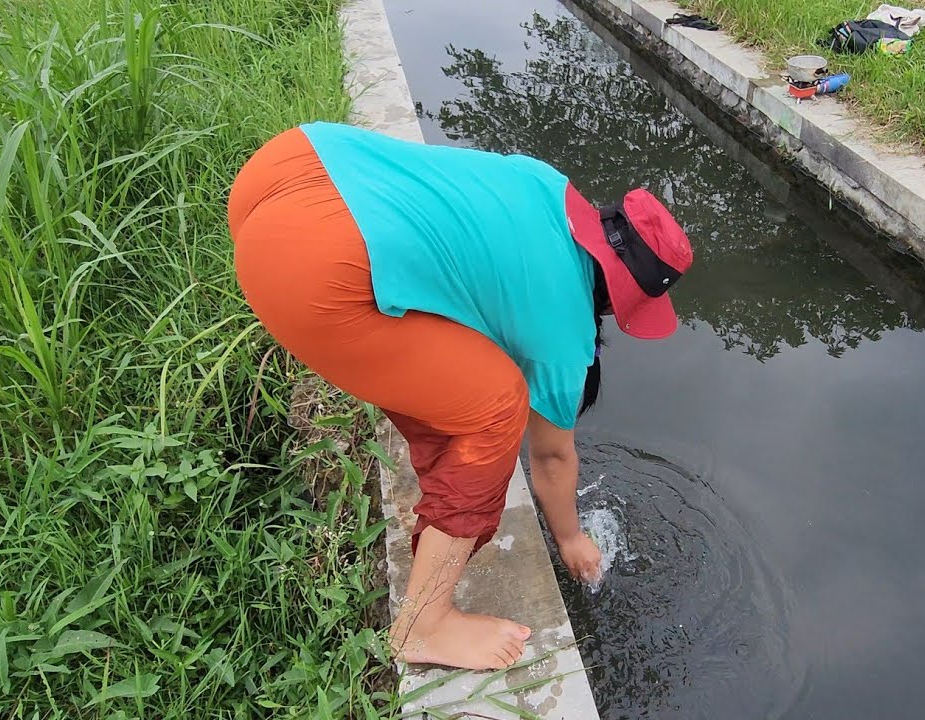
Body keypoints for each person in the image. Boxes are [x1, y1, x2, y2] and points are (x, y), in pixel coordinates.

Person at [228, 121, 693, 671]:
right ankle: (423, 626)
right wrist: (570, 539)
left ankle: (440, 518)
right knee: (497, 409)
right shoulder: (565, 331)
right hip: (311, 265)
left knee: (463, 379)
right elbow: (550, 456)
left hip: (292, 163)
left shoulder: (547, 183)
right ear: (619, 300)